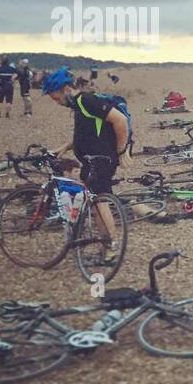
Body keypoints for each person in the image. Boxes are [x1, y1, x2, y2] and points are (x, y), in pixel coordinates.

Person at [42, 68, 126, 249]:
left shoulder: (87, 100)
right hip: (91, 160)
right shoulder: (78, 105)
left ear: (65, 89)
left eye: (56, 98)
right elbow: (87, 134)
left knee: (101, 202)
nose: (57, 103)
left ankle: (112, 247)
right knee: (96, 205)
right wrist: (65, 147)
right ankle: (106, 246)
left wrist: (121, 150)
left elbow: (120, 120)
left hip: (101, 159)